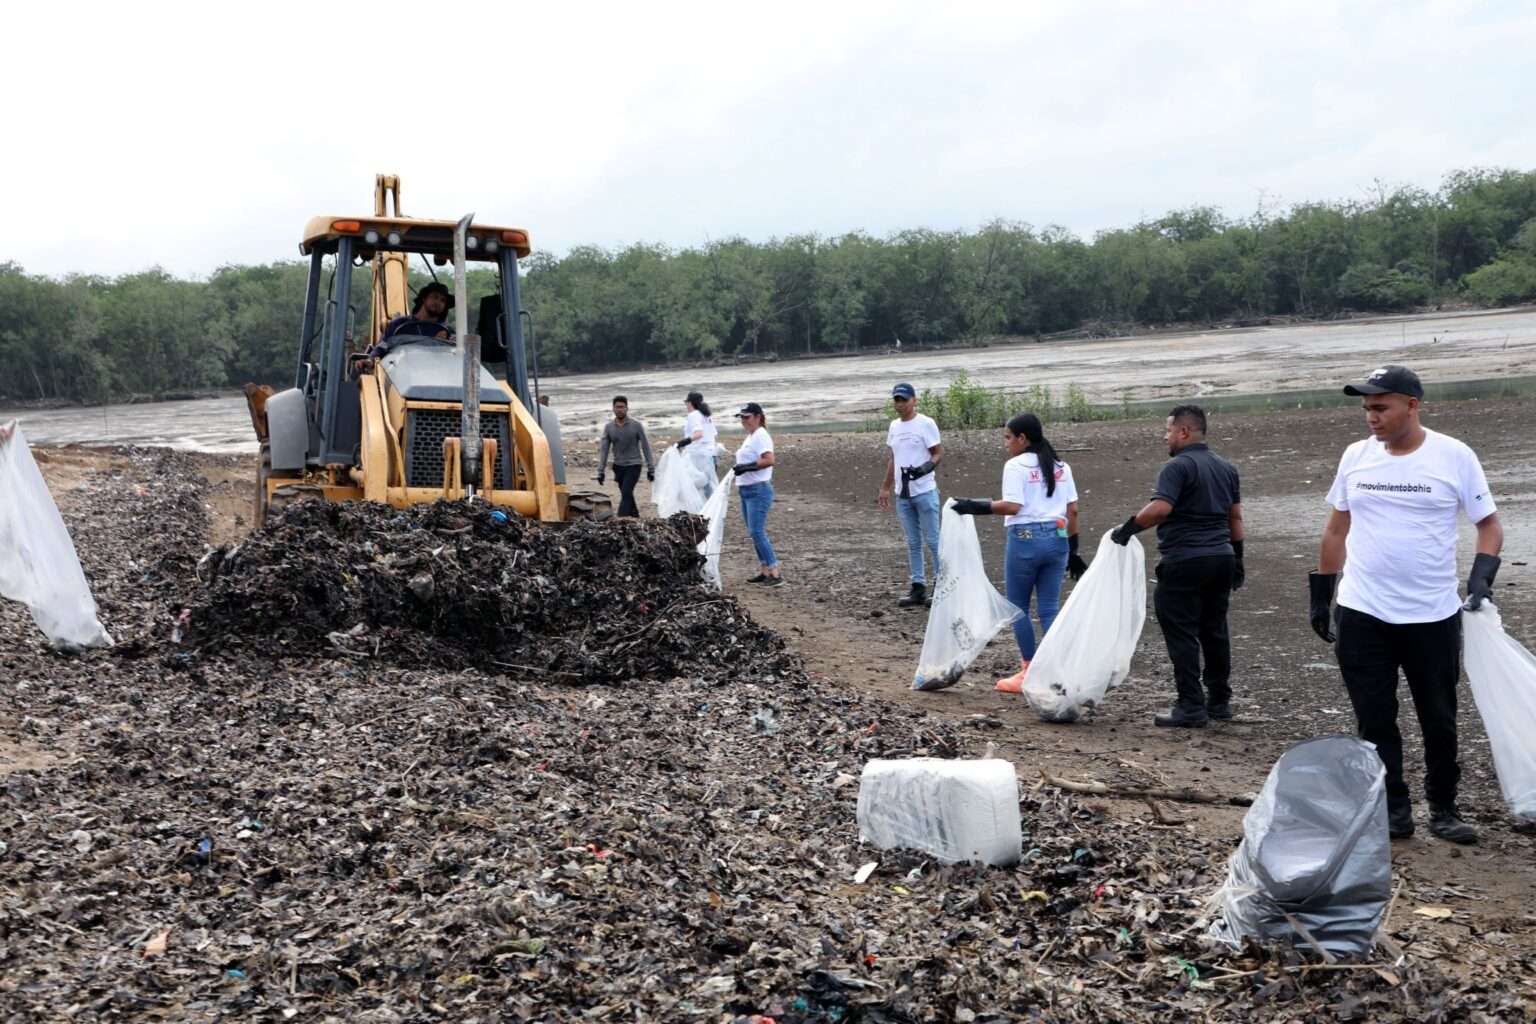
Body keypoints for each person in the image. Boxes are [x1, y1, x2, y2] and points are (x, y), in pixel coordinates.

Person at [1310, 365, 1501, 844]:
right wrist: (1321, 591)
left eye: (1380, 407)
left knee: (1438, 716)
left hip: (1431, 614)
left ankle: (1443, 807)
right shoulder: (1355, 456)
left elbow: (1489, 526)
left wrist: (1482, 578)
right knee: (1374, 717)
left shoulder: (1453, 456)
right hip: (1362, 610)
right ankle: (1394, 809)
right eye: (1366, 409)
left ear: (1412, 405)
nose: (1370, 418)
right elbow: (1337, 528)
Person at [1109, 405, 1244, 728]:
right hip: (1221, 556)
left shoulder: (1177, 467)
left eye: (1168, 430)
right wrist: (1237, 558)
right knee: (1214, 630)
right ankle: (1220, 701)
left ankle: (1191, 705)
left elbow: (1160, 508)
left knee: (1181, 632)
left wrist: (1127, 529)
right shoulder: (1226, 468)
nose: (1165, 436)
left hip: (1186, 558)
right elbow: (1235, 517)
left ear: (1184, 432)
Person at [952, 413, 1087, 692]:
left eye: (1008, 437)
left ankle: (1029, 670)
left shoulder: (1016, 466)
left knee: (1018, 608)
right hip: (1057, 538)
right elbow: (1072, 510)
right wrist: (1071, 548)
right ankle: (1058, 670)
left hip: (1025, 540)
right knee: (1049, 607)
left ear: (1022, 439)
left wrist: (974, 506)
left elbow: (1013, 506)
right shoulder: (1062, 466)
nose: (1005, 443)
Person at [878, 383, 943, 608]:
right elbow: (893, 458)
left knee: (934, 540)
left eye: (904, 399)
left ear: (914, 400)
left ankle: (941, 585)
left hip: (924, 491)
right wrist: (886, 487)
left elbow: (937, 453)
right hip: (902, 494)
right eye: (897, 400)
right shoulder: (894, 426)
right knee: (913, 542)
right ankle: (918, 586)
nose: (900, 404)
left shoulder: (926, 423)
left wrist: (926, 467)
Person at [731, 402, 781, 587]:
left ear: (757, 417)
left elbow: (769, 460)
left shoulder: (760, 435)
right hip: (746, 490)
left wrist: (747, 467)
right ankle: (765, 569)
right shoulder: (751, 436)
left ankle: (775, 572)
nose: (744, 421)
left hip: (758, 490)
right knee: (754, 532)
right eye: (741, 418)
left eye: (747, 417)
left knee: (757, 531)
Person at [597, 396, 655, 518]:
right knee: (627, 495)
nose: (619, 410)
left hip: (634, 465)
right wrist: (600, 471)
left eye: (622, 407)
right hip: (618, 467)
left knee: (626, 492)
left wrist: (651, 468)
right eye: (617, 407)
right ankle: (635, 516)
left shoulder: (636, 425)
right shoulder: (609, 428)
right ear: (613, 409)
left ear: (627, 408)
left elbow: (646, 446)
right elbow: (604, 450)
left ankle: (620, 519)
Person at [676, 391, 720, 497]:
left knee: (698, 484)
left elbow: (699, 434)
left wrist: (683, 442)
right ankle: (711, 510)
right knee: (710, 484)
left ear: (690, 403)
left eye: (686, 402)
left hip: (699, 456)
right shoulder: (706, 415)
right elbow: (714, 435)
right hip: (710, 454)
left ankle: (704, 510)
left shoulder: (693, 415)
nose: (686, 405)